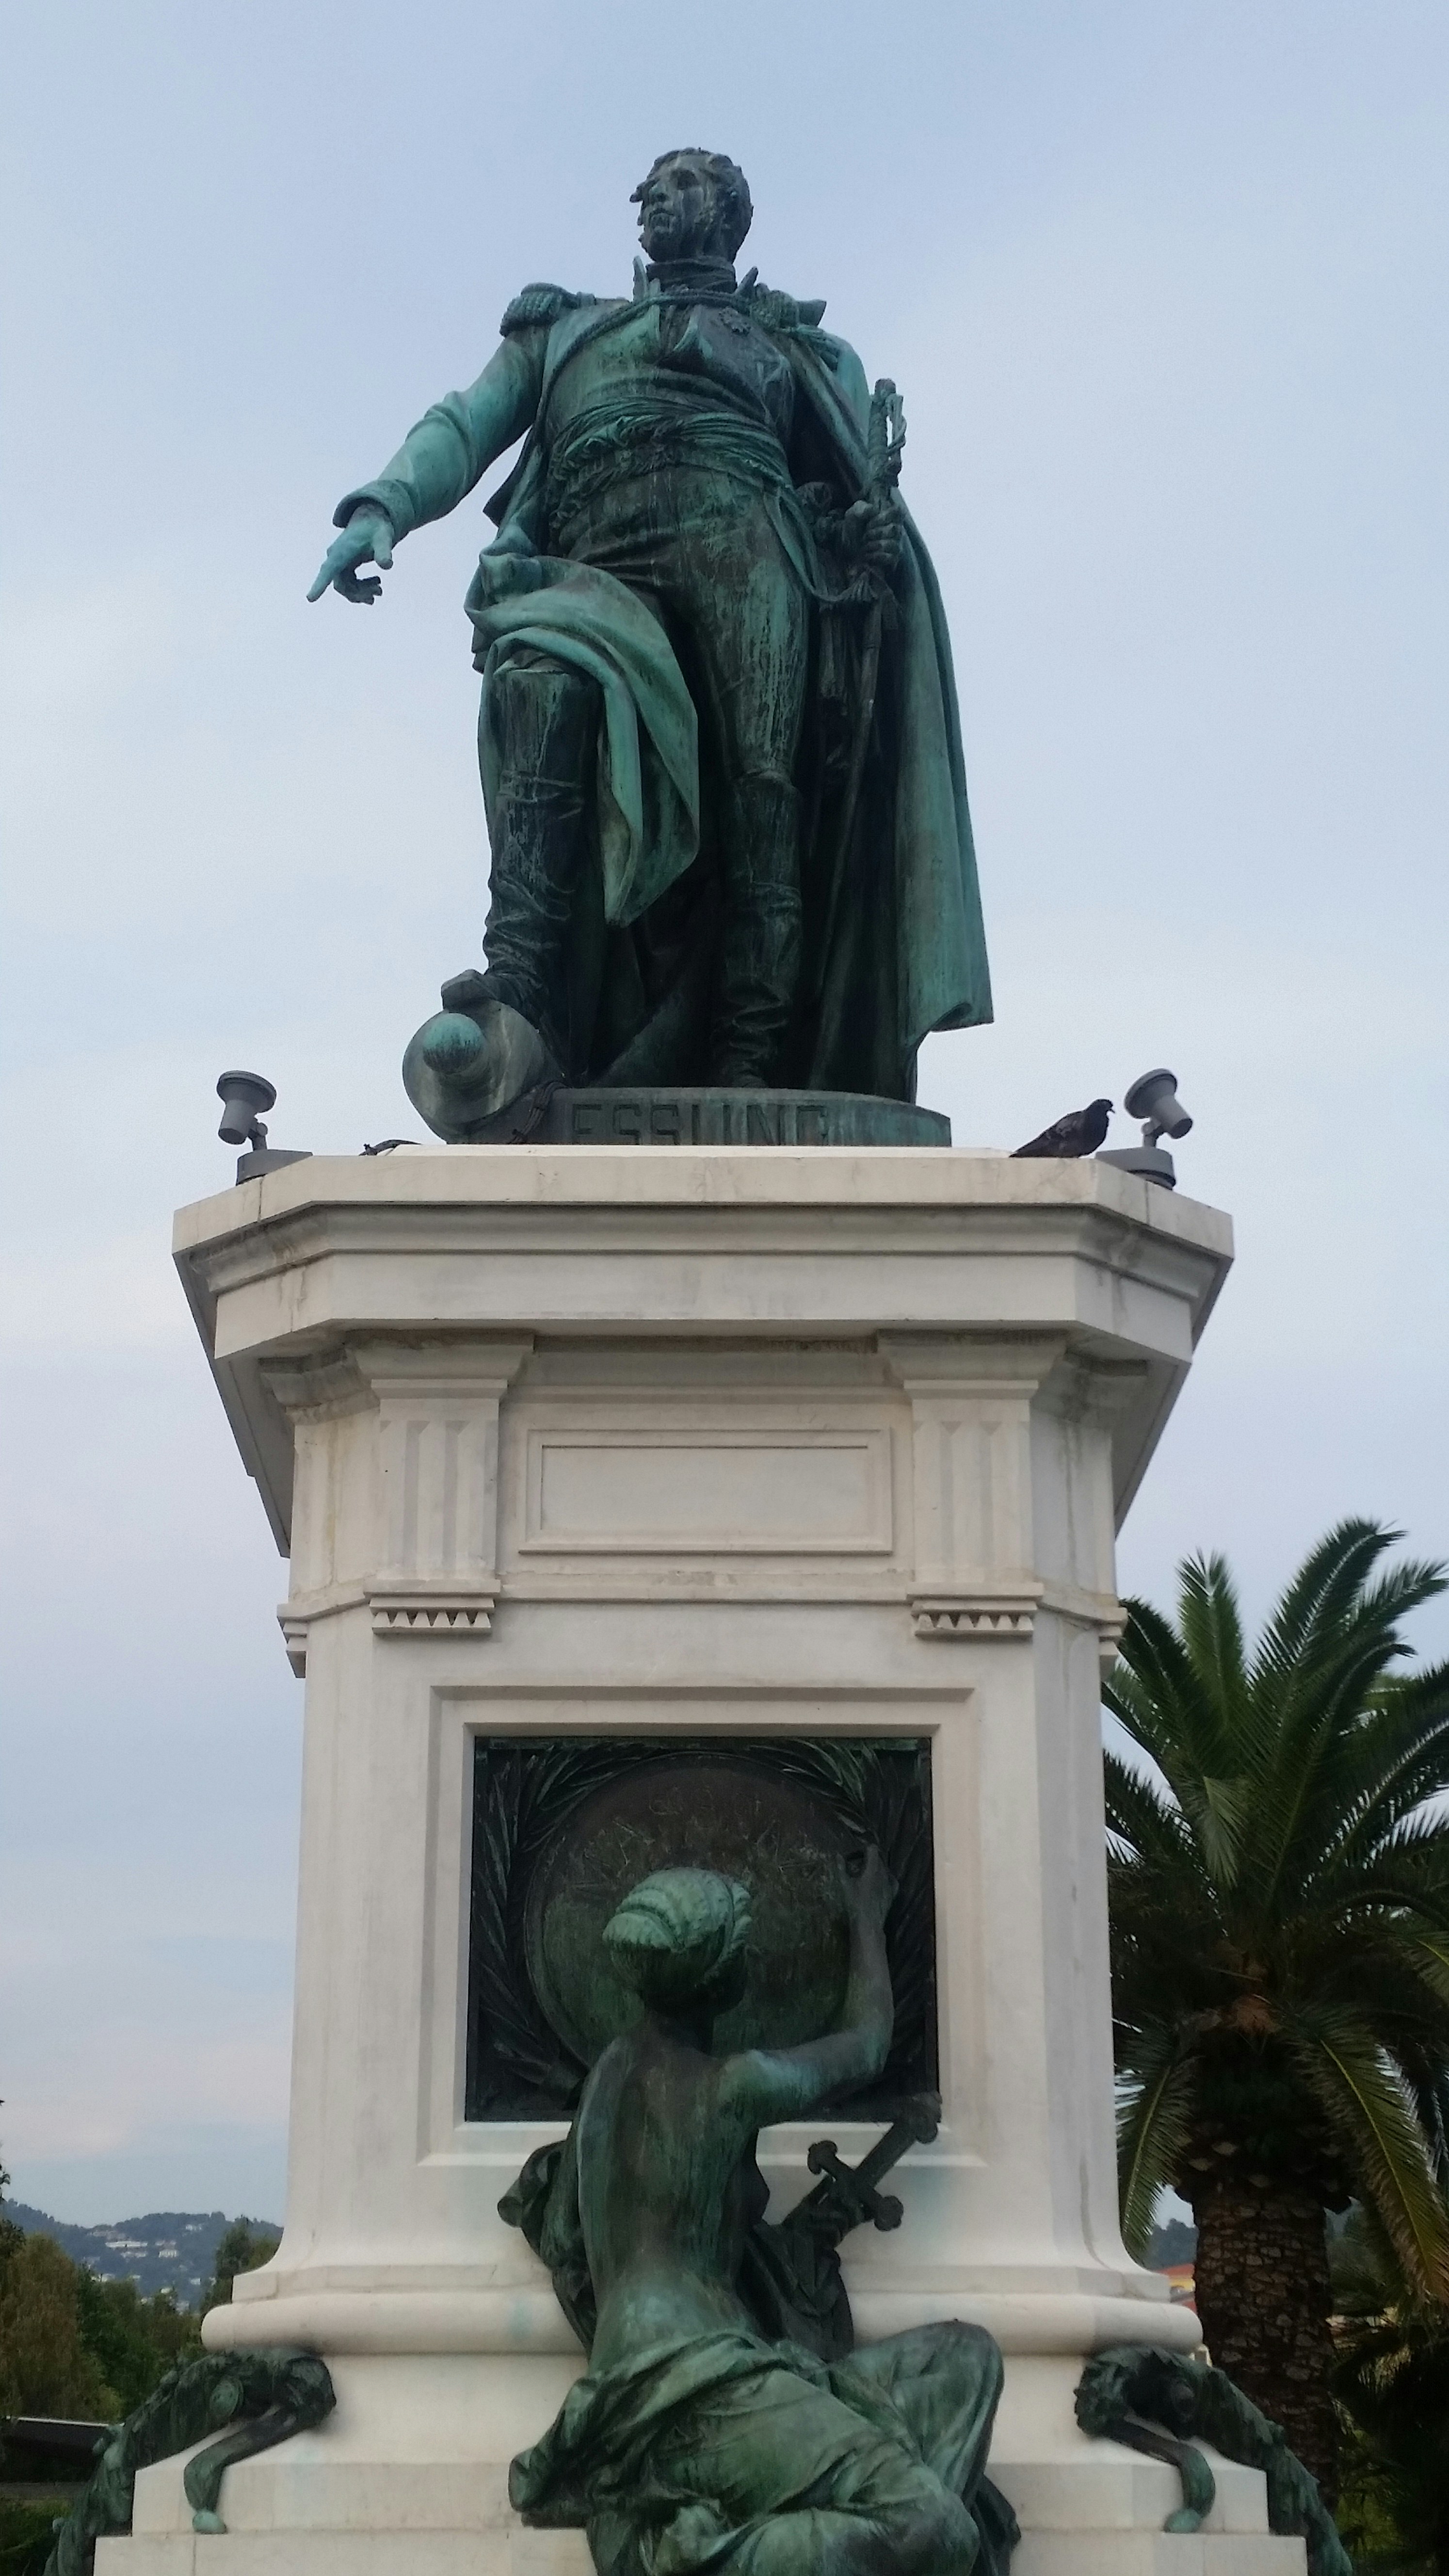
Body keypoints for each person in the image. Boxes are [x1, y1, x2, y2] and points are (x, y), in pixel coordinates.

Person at [308, 151, 992, 1129]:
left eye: (680, 184)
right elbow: (465, 422)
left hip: (750, 540)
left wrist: (862, 539)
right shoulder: (565, 328)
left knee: (766, 789)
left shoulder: (795, 345)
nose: (654, 198)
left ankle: (753, 1058)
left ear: (729, 213)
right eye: (651, 187)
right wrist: (386, 504)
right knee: (537, 681)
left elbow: (846, 495)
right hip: (590, 556)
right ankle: (522, 992)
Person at [501, 1861, 1014, 2576]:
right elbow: (867, 2046)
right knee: (936, 2528)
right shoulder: (729, 2087)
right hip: (698, 2388)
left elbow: (562, 2237)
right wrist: (866, 1920)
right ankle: (700, 2559)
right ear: (719, 1978)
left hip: (676, 2366)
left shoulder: (606, 2078)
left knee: (966, 2359)